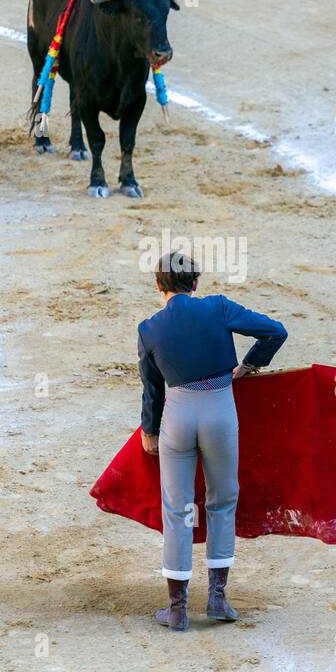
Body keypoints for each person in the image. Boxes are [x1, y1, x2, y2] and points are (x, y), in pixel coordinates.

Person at [137, 252, 287, 632]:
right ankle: (218, 598)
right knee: (222, 501)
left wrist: (149, 431)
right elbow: (276, 331)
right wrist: (251, 364)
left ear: (159, 286)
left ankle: (177, 608)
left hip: (178, 417)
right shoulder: (218, 308)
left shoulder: (149, 328)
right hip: (220, 411)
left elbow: (152, 389)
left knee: (177, 509)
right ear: (196, 284)